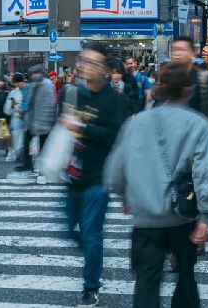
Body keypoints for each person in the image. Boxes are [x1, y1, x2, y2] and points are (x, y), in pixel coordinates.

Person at [104, 61, 208, 308]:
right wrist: (205, 218)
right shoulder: (198, 124)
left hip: (145, 218)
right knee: (186, 278)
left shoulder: (135, 123)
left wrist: (125, 197)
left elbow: (113, 173)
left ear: (160, 89)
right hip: (183, 218)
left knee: (147, 280)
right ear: (188, 90)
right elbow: (205, 175)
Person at [59, 42, 129, 308]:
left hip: (98, 179)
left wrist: (82, 126)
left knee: (91, 234)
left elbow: (115, 137)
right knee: (67, 230)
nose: (84, 66)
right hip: (72, 174)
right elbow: (63, 126)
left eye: (91, 62)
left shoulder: (116, 100)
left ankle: (90, 286)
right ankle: (93, 255)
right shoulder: (72, 93)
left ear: (105, 69)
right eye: (82, 60)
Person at [19, 65, 57, 175]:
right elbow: (28, 101)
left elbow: (51, 105)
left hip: (44, 121)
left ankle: (43, 168)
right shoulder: (32, 86)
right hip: (32, 121)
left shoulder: (48, 86)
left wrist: (51, 121)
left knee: (43, 146)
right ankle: (28, 166)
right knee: (26, 143)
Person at [4, 73, 27, 164]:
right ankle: (20, 156)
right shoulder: (13, 92)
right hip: (17, 118)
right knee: (17, 140)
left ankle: (24, 157)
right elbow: (7, 109)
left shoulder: (29, 90)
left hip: (27, 118)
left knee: (25, 140)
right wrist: (12, 105)